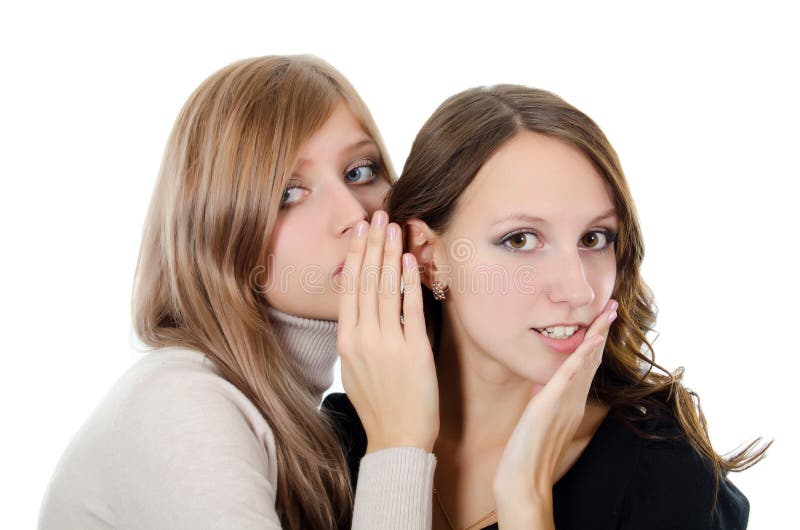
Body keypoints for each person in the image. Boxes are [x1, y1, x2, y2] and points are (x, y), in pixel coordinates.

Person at [323, 85, 769, 529]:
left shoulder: (666, 475)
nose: (579, 291)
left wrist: (527, 497)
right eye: (520, 240)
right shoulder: (332, 453)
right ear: (428, 256)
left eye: (594, 238)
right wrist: (397, 449)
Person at [38, 55, 439, 530]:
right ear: (218, 230)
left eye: (360, 172)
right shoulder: (179, 403)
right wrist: (399, 443)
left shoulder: (303, 422)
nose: (355, 215)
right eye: (288, 194)